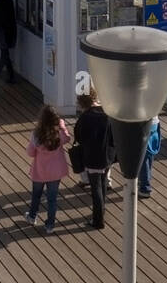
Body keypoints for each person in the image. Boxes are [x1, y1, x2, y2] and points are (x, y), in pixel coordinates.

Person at [25, 105, 72, 235]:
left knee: (36, 195)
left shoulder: (37, 134)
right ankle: (50, 225)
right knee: (52, 199)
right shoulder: (59, 133)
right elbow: (68, 139)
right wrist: (62, 127)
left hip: (40, 171)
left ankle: (32, 216)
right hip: (56, 172)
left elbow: (30, 153)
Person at [73, 90, 114, 229]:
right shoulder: (107, 113)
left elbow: (79, 137)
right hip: (107, 156)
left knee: (96, 187)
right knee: (102, 183)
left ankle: (98, 220)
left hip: (92, 157)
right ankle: (102, 210)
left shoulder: (84, 118)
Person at [137, 115, 159, 199]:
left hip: (142, 124)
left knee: (143, 157)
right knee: (148, 154)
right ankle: (145, 181)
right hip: (154, 122)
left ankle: (145, 187)